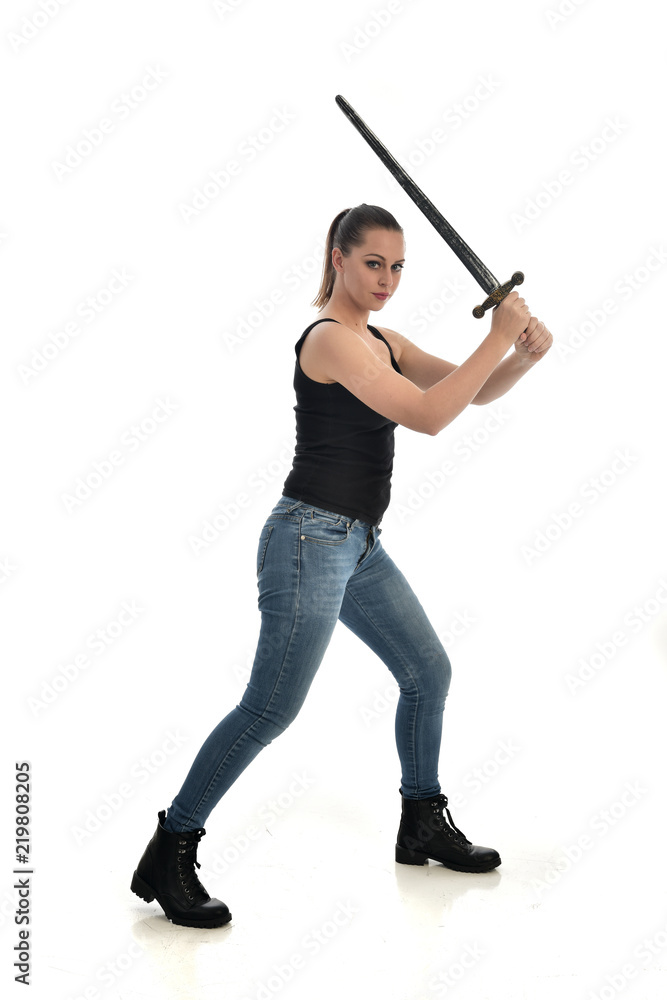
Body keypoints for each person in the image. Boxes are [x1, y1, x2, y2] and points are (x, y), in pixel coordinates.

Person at [131, 203, 553, 928]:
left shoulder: (382, 339)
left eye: (396, 267)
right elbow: (425, 416)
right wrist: (497, 334)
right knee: (270, 708)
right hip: (307, 541)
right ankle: (170, 849)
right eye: (371, 263)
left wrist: (519, 356)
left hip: (357, 545)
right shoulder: (329, 341)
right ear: (337, 257)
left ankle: (421, 819)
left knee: (427, 671)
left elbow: (470, 391)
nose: (386, 279)